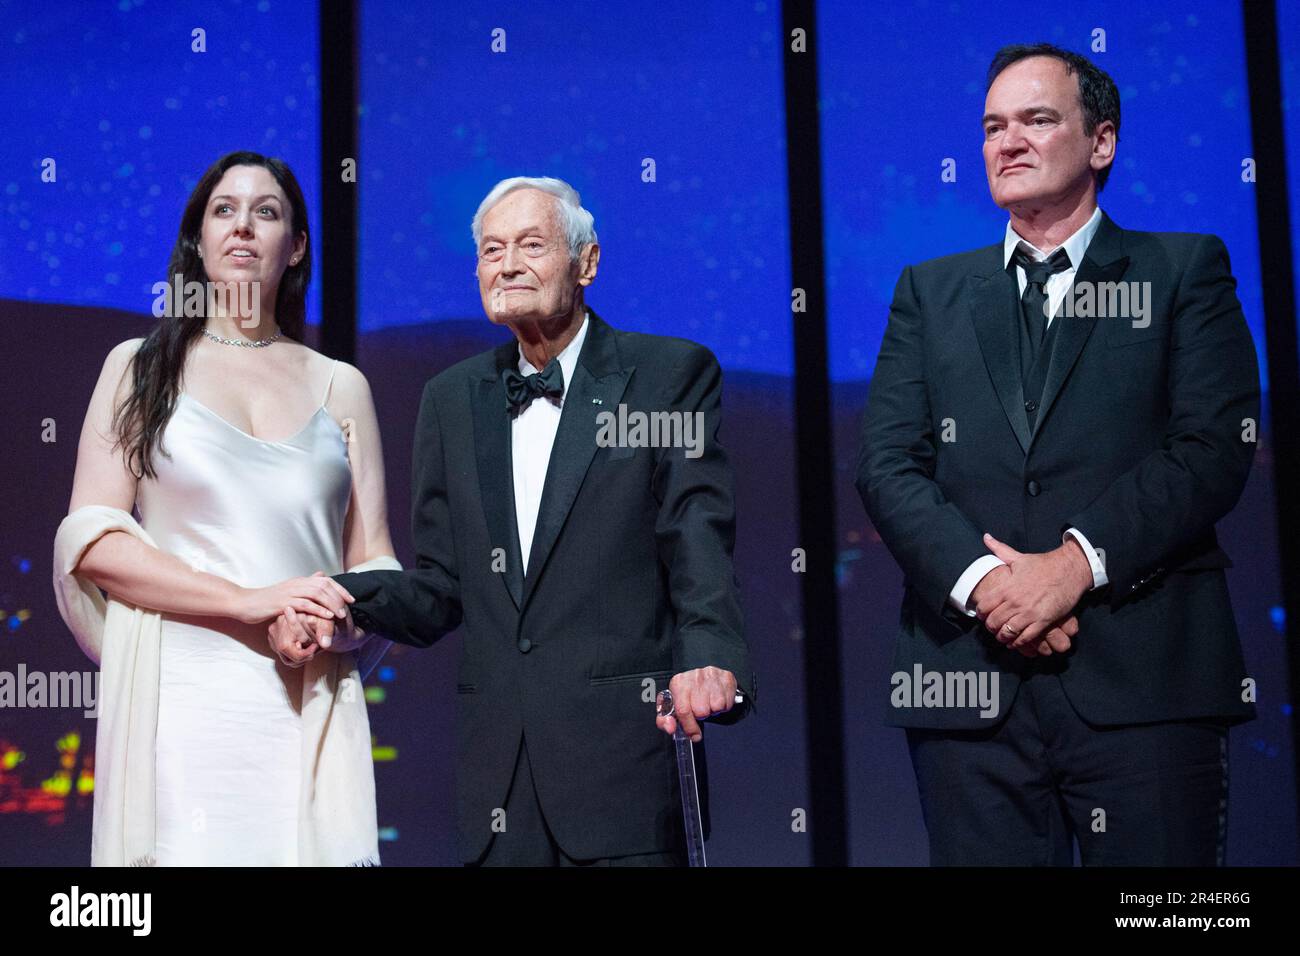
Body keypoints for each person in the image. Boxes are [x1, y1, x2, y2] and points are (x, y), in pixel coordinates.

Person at [275, 176, 756, 866]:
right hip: (497, 787)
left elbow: (697, 540)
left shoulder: (667, 376)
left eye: (532, 245)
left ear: (587, 263)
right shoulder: (451, 399)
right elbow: (442, 587)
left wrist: (712, 658)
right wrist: (342, 595)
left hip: (623, 774)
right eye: (491, 250)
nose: (507, 264)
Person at [856, 44, 1258, 865]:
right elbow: (888, 465)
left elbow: (1212, 449)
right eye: (993, 126)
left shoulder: (1182, 270)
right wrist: (990, 585)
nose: (1008, 142)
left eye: (1037, 120)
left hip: (1146, 682)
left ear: (1101, 142)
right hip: (969, 683)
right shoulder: (929, 292)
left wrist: (1072, 568)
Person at [60, 150, 397, 865]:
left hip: (303, 701)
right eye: (224, 210)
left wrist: (338, 624)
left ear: (297, 246)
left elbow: (377, 564)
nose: (243, 227)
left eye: (266, 212)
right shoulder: (138, 367)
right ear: (200, 240)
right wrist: (251, 601)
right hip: (178, 705)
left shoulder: (342, 386)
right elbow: (92, 543)